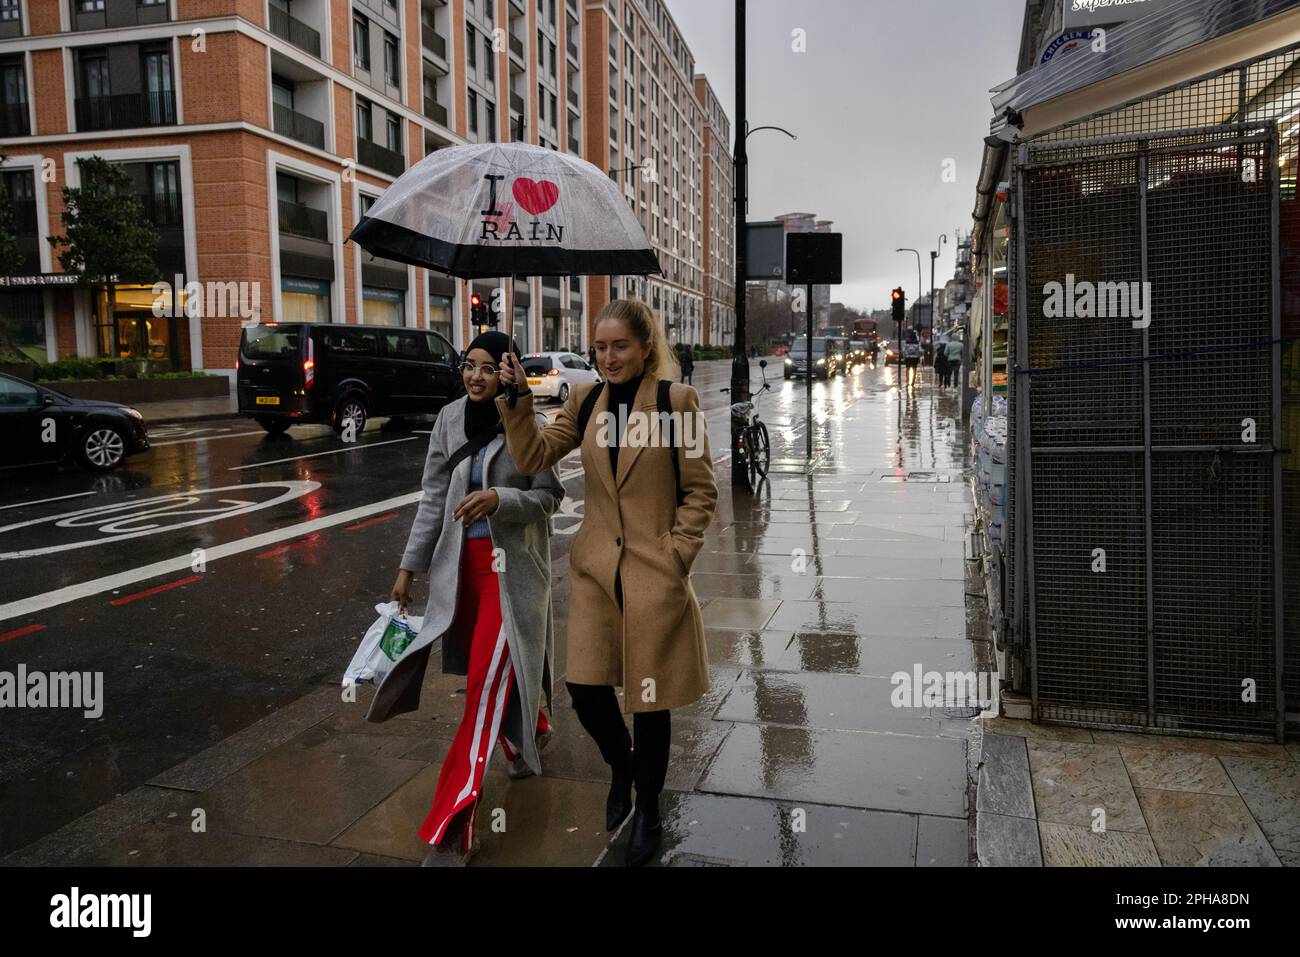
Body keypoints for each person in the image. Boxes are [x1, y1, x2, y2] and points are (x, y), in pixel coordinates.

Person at [498, 300, 718, 867]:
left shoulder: (676, 402)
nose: (608, 357)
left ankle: (647, 807)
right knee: (586, 691)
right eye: (599, 347)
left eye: (619, 346)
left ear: (646, 348)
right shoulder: (587, 399)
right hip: (597, 571)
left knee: (650, 698)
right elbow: (534, 453)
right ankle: (623, 766)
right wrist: (519, 401)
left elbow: (700, 490)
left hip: (653, 570)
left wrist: (677, 556)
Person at [371, 331, 564, 867]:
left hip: (511, 577)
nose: (476, 376)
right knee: (494, 676)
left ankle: (453, 825)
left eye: (487, 368)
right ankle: (532, 730)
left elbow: (550, 496)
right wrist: (408, 568)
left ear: (508, 371)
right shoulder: (449, 419)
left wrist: (500, 498)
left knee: (480, 695)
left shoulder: (527, 420)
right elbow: (433, 498)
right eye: (468, 366)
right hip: (461, 576)